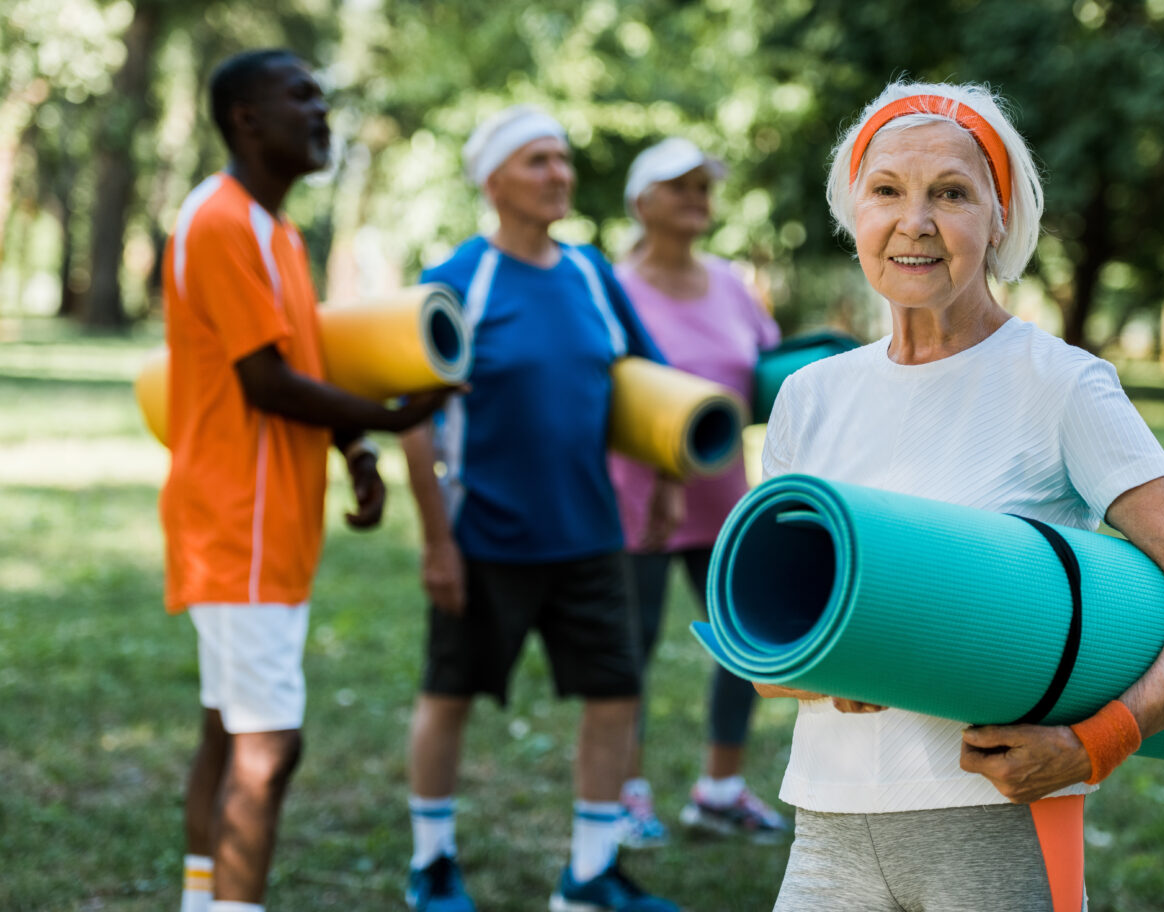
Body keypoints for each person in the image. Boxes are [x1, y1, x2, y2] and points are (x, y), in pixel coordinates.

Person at [755, 81, 1164, 911]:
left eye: (952, 194)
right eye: (886, 191)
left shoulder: (1060, 385)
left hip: (996, 820)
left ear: (1000, 220)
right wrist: (831, 669)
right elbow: (766, 653)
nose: (915, 221)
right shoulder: (811, 398)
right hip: (829, 818)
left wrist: (1097, 743)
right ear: (852, 212)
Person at [162, 50, 449, 912]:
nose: (321, 113)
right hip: (237, 523)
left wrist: (354, 453)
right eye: (302, 97)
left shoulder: (276, 230)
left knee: (229, 728)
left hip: (267, 525)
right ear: (245, 118)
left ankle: (200, 900)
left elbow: (295, 362)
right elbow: (265, 383)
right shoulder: (220, 222)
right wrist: (395, 418)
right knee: (268, 748)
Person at [400, 106, 681, 912]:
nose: (558, 173)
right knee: (448, 698)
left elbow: (643, 381)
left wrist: (664, 483)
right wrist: (435, 542)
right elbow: (412, 418)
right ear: (492, 182)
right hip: (482, 538)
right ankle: (433, 864)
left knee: (616, 695)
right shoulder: (458, 279)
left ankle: (589, 876)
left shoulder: (592, 272)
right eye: (536, 162)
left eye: (561, 159)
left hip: (589, 536)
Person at [606, 138, 787, 847]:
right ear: (641, 202)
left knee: (744, 643)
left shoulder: (732, 285)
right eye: (679, 186)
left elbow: (763, 374)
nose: (696, 199)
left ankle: (720, 789)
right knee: (633, 648)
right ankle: (624, 793)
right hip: (637, 501)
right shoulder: (614, 288)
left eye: (704, 188)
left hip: (723, 501)